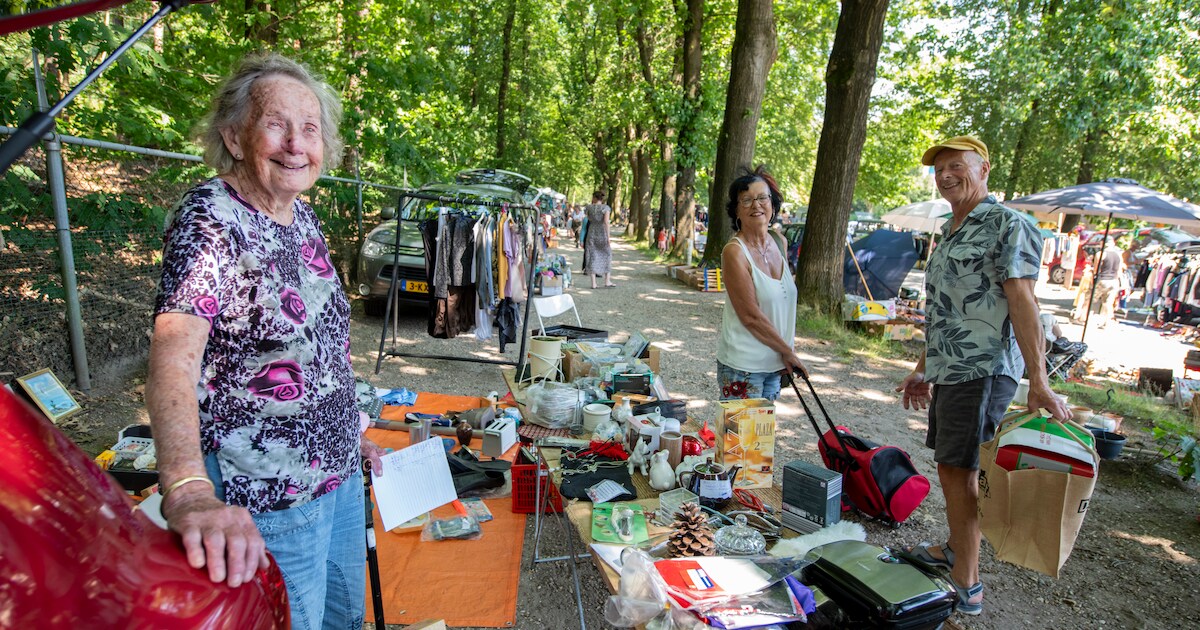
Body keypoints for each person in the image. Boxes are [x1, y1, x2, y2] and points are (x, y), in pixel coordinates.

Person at [145, 53, 384, 629]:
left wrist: (347, 436)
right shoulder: (211, 218)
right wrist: (187, 490)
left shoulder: (302, 216)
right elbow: (174, 356)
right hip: (266, 493)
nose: (296, 144)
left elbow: (322, 351)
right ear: (233, 135)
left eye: (311, 129)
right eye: (276, 124)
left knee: (342, 621)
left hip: (338, 476)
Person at [894, 136, 1070, 617]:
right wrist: (922, 368)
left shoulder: (1008, 224)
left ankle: (966, 584)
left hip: (984, 369)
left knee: (960, 468)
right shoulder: (952, 228)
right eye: (938, 169)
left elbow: (1023, 302)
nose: (945, 174)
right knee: (952, 464)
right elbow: (946, 311)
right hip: (953, 367)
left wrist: (1040, 380)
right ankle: (955, 549)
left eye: (956, 166)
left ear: (984, 168)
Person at [717, 167, 807, 401]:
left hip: (775, 365)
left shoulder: (780, 243)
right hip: (744, 368)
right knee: (740, 438)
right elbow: (750, 316)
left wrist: (783, 353)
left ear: (773, 204)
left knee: (762, 438)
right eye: (746, 200)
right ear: (736, 211)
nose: (755, 205)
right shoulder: (735, 253)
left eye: (762, 198)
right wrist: (788, 352)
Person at [583, 190, 615, 288]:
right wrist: (608, 237)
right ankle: (607, 280)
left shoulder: (588, 208)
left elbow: (588, 218)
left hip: (592, 232)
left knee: (592, 255)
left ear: (595, 198)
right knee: (607, 254)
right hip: (602, 233)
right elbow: (606, 222)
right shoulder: (606, 208)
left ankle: (593, 283)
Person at [1091, 237, 1125, 329]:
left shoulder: (1100, 254)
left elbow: (1095, 270)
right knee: (1108, 303)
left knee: (1090, 300)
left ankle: (1085, 319)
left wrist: (1093, 280)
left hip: (1103, 279)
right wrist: (1121, 284)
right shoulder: (1119, 255)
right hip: (1114, 281)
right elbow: (1119, 271)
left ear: (1103, 243)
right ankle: (1108, 322)